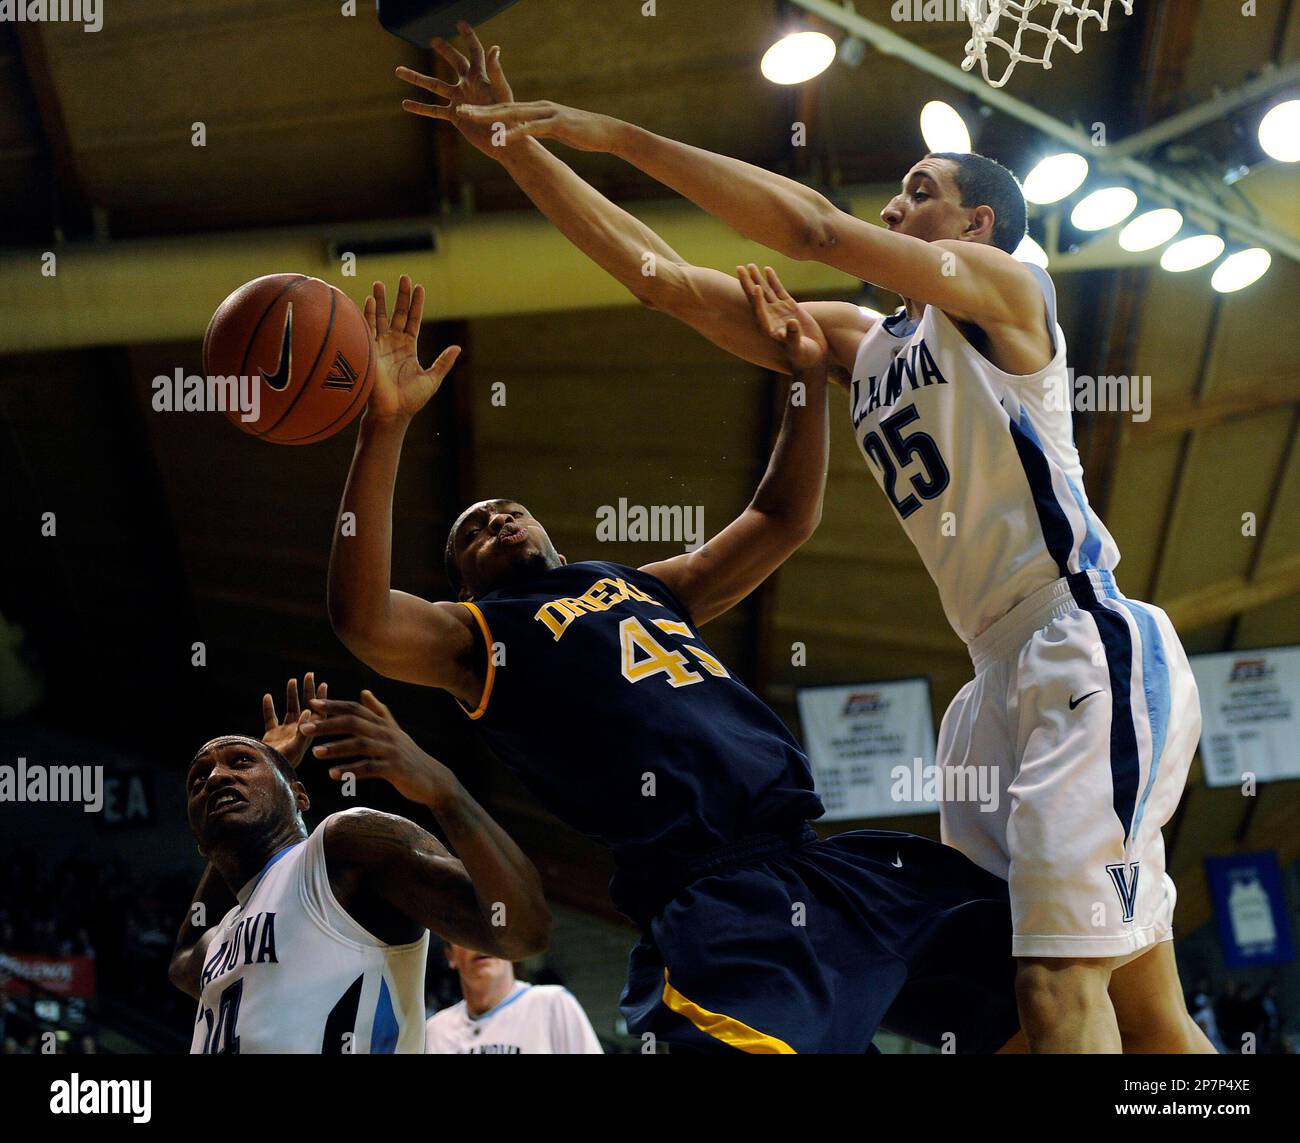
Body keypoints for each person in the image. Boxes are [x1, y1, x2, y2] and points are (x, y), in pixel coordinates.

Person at [404, 23, 1210, 1054]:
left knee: (1054, 989)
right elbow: (660, 279)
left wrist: (617, 133)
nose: (894, 207)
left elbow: (815, 229)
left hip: (1080, 640)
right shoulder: (858, 343)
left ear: (978, 222)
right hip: (991, 685)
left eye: (919, 191)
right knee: (1143, 1014)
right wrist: (525, 153)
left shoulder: (1012, 299)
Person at [321, 264, 1023, 1055]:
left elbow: (781, 517)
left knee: (1048, 980)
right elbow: (363, 618)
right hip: (716, 898)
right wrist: (383, 425)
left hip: (821, 863)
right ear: (462, 582)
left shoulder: (636, 584)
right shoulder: (477, 637)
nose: (495, 518)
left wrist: (803, 380)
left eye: (506, 510)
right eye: (474, 532)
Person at [168, 674, 550, 1053]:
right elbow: (181, 961)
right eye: (199, 779)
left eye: (242, 761)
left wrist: (446, 793)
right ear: (200, 845)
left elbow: (521, 931)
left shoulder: (341, 847)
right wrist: (243, 811)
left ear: (299, 796)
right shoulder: (221, 938)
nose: (216, 777)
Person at [426, 943, 602, 1054]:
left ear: (510, 945)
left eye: (491, 930)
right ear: (450, 955)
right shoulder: (434, 1031)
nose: (481, 943)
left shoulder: (552, 1003)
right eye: (468, 934)